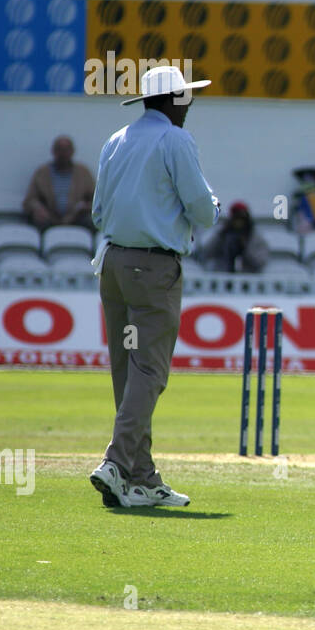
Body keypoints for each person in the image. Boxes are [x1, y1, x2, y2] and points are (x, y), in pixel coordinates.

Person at [88, 65, 220, 509]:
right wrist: (211, 207)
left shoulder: (115, 139)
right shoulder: (175, 139)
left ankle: (141, 478)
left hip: (113, 264)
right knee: (150, 372)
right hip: (153, 268)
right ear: (171, 101)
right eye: (186, 96)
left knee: (127, 374)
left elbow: (98, 211)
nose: (191, 102)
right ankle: (116, 462)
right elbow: (201, 209)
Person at [24, 135, 95, 231]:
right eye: (59, 149)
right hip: (49, 217)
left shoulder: (83, 172)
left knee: (92, 222)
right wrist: (38, 208)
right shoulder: (42, 173)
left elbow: (95, 200)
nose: (63, 153)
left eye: (66, 149)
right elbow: (30, 200)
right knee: (38, 221)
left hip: (77, 217)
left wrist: (83, 207)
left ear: (72, 151)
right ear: (53, 151)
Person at [200, 201, 269, 272]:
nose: (239, 223)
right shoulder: (223, 235)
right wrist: (222, 238)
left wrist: (245, 248)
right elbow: (207, 253)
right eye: (236, 219)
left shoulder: (255, 238)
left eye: (242, 219)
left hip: (249, 278)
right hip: (224, 277)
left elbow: (261, 261)